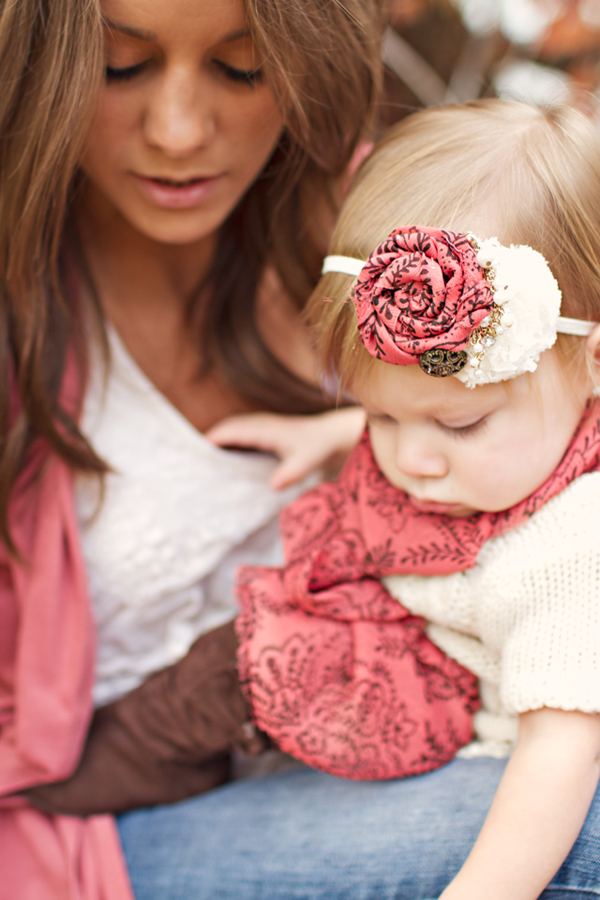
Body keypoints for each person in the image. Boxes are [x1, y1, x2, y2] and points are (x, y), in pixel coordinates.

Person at [0, 0, 383, 897]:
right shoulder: (24, 318)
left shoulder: (397, 224)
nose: (177, 133)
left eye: (243, 69)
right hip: (93, 837)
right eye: (120, 67)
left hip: (385, 759)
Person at [230, 98, 600, 899]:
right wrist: (326, 437)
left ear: (593, 362)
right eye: (377, 415)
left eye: (459, 424)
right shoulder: (509, 440)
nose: (409, 460)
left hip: (461, 774)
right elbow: (415, 417)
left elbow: (559, 754)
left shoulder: (571, 551)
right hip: (366, 662)